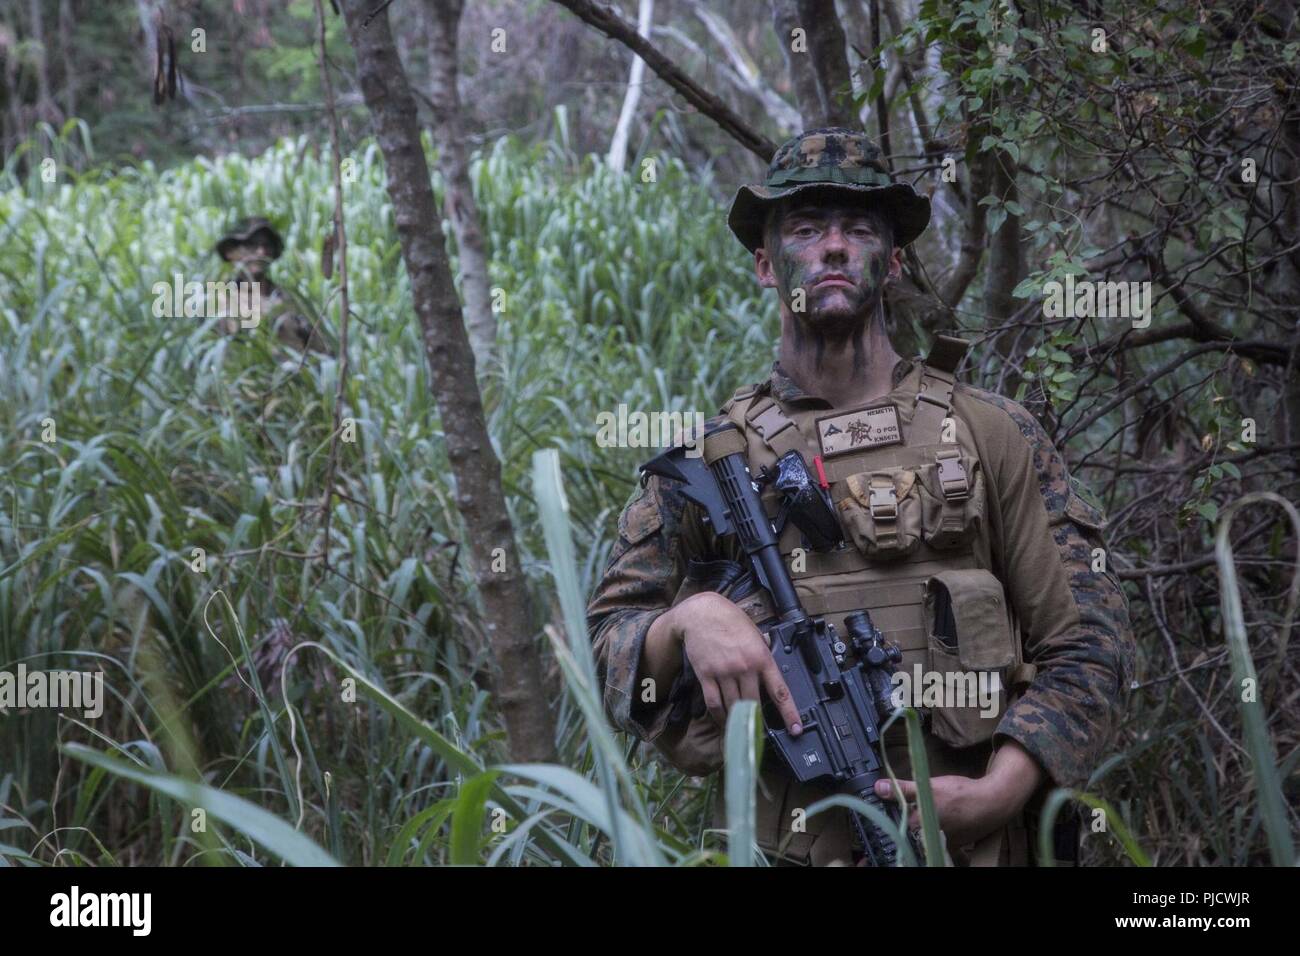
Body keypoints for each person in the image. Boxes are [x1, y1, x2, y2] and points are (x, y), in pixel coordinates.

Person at [586, 128, 1135, 866]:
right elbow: (605, 666)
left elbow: (1092, 646)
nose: (834, 248)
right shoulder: (711, 464)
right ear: (765, 265)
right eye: (806, 229)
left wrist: (1004, 789)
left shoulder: (989, 433)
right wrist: (687, 621)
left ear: (894, 261)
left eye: (859, 229)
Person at [214, 217, 332, 355]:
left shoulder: (290, 300)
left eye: (267, 246)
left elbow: (320, 349)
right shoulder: (217, 301)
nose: (261, 252)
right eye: (252, 245)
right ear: (230, 252)